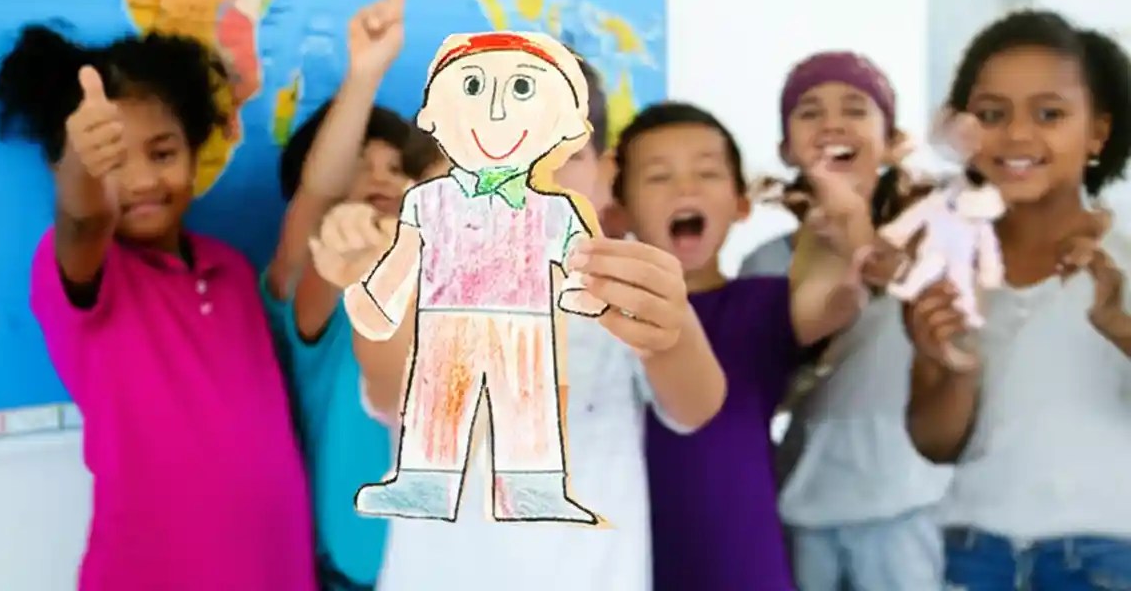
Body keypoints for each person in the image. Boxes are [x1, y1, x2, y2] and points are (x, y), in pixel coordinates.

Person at [308, 51, 726, 589]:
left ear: (604, 174)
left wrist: (673, 334)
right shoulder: (419, 281)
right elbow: (392, 394)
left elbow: (697, 407)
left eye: (555, 157)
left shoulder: (622, 280)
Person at [0, 25, 315, 590]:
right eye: (114, 162)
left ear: (193, 152)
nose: (141, 180)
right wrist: (83, 168)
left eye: (162, 153)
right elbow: (83, 220)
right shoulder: (83, 271)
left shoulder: (233, 271)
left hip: (277, 568)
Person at [905, 10, 1131, 591]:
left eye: (1049, 114)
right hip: (973, 552)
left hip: (1109, 555)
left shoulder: (1125, 255)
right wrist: (953, 367)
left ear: (1098, 133)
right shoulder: (948, 263)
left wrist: (1120, 328)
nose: (1018, 135)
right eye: (991, 114)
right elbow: (934, 443)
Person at [610, 101, 875, 590]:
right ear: (619, 208)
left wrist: (847, 227)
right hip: (623, 565)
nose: (685, 188)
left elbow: (835, 301)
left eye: (707, 173)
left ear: (741, 203)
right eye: (659, 176)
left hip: (743, 568)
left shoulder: (762, 304)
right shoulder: (602, 318)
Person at [740, 51, 951, 591]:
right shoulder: (764, 265)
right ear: (787, 147)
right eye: (809, 112)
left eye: (855, 109)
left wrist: (865, 240)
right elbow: (761, 393)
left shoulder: (934, 243)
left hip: (908, 508)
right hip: (802, 507)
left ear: (891, 141)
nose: (832, 122)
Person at [262, 0, 414, 591]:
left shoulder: (432, 276)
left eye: (397, 166)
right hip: (360, 566)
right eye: (361, 160)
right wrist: (365, 76)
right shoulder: (315, 278)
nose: (381, 177)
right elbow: (316, 201)